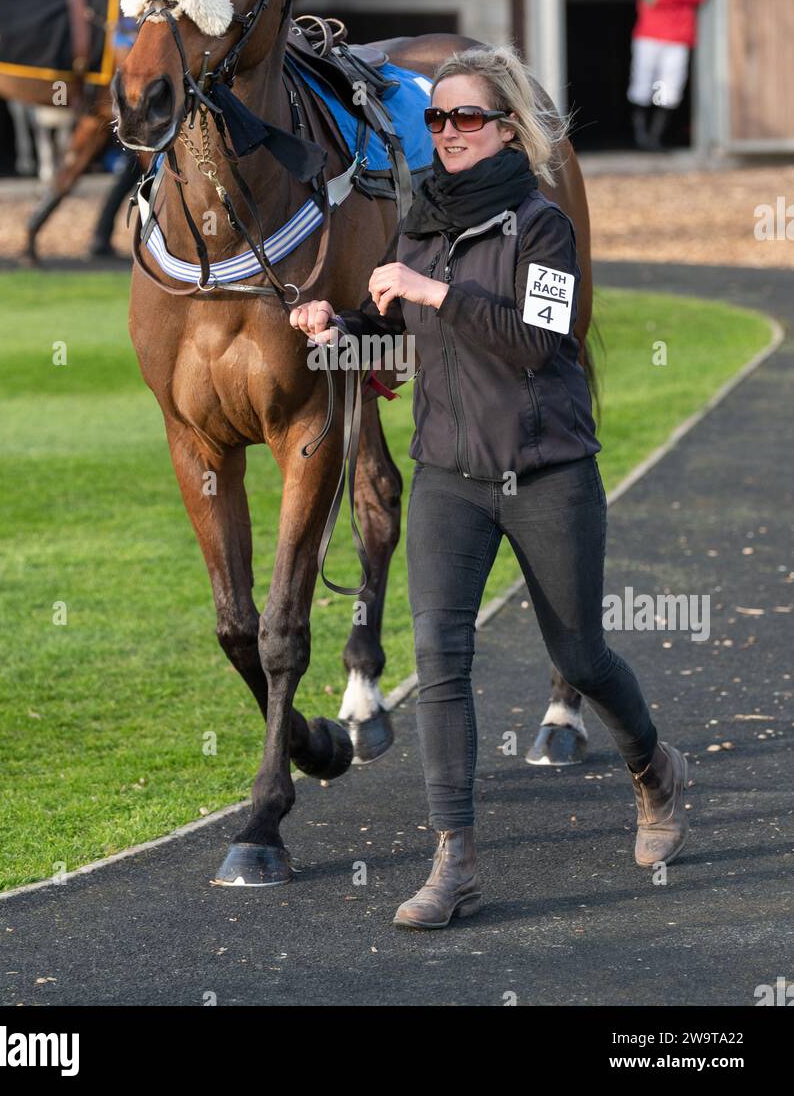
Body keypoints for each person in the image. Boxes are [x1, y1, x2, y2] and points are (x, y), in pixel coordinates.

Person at [290, 45, 689, 929]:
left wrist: (429, 292)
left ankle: (655, 770)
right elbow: (393, 331)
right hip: (449, 477)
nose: (448, 133)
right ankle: (454, 862)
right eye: (435, 119)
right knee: (440, 661)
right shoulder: (421, 219)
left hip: (547, 470)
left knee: (582, 655)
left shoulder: (544, 224)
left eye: (466, 118)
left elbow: (539, 341)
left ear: (506, 128)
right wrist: (339, 327)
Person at [627, 0, 708, 151]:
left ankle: (655, 138)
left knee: (668, 89)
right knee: (642, 86)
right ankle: (640, 138)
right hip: (650, 35)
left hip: (679, 37)